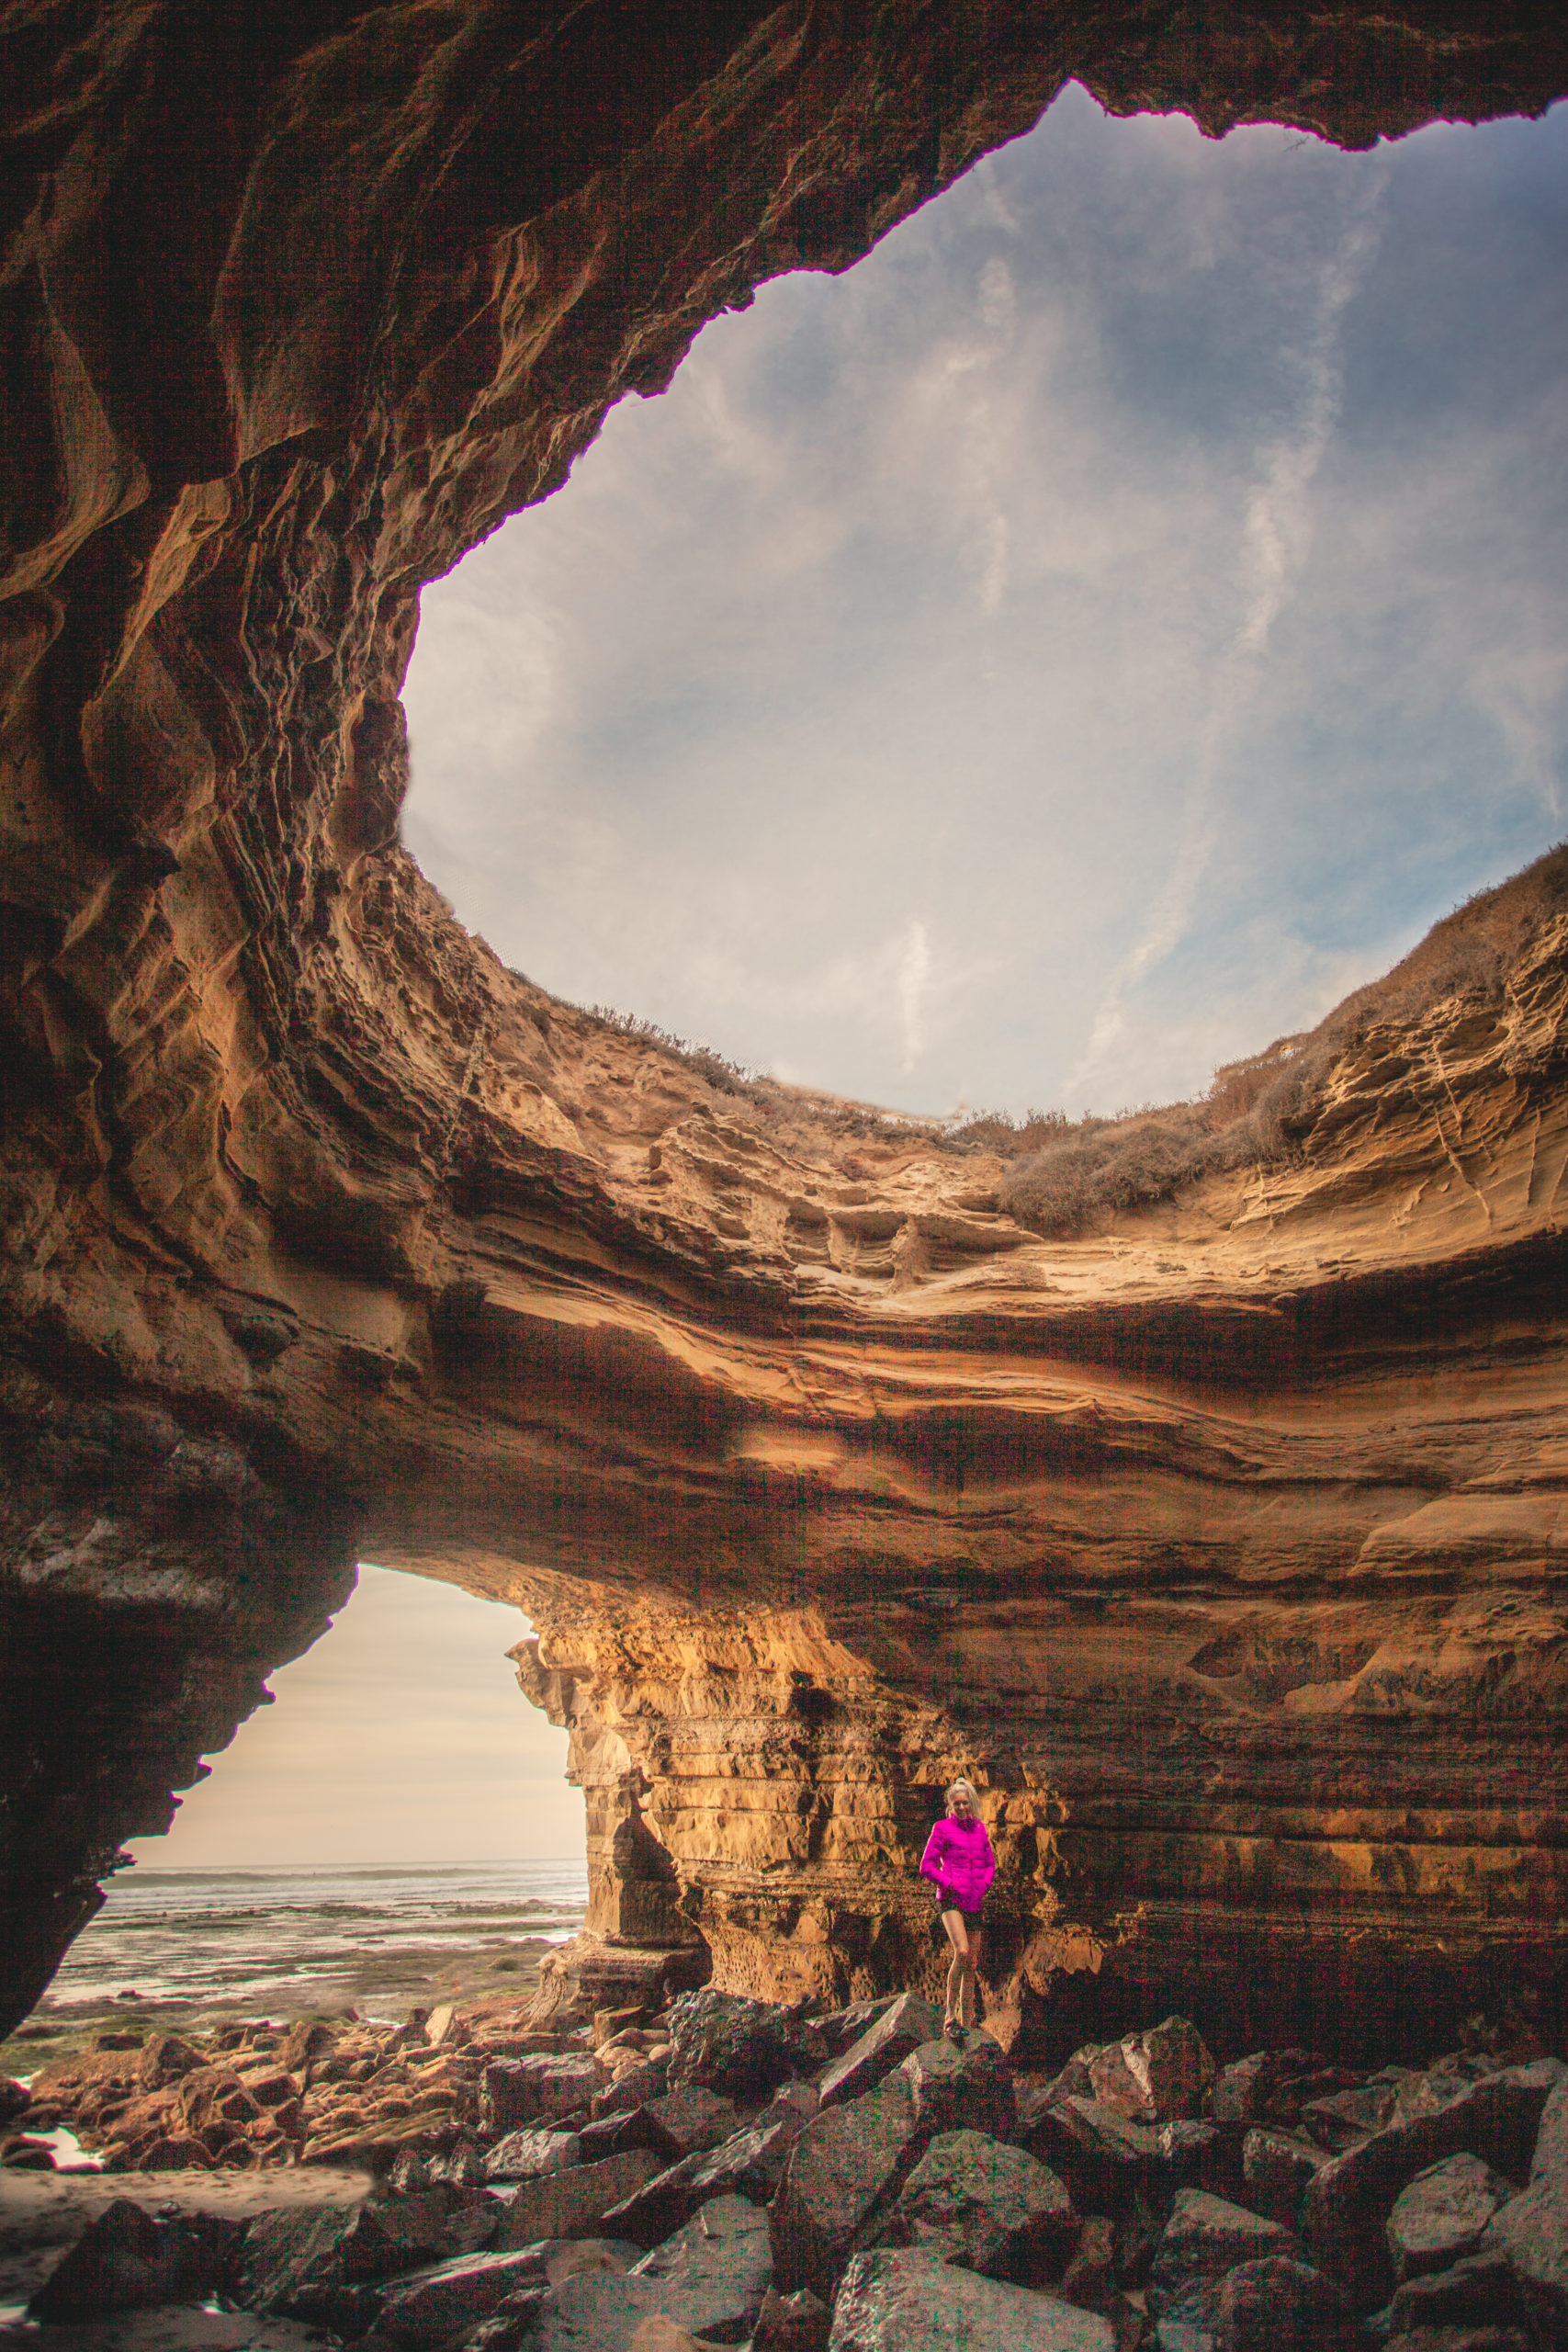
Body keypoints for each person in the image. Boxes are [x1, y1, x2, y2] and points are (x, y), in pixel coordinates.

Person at [919, 1778, 996, 2041]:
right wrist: (949, 1883)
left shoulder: (980, 1830)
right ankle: (950, 2018)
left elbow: (990, 1863)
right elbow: (926, 1867)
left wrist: (985, 1884)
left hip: (974, 1900)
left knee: (971, 1963)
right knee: (962, 1951)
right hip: (950, 1899)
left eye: (965, 1803)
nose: (961, 1808)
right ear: (950, 1805)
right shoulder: (941, 1829)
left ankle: (968, 2020)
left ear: (971, 1803)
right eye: (957, 1804)